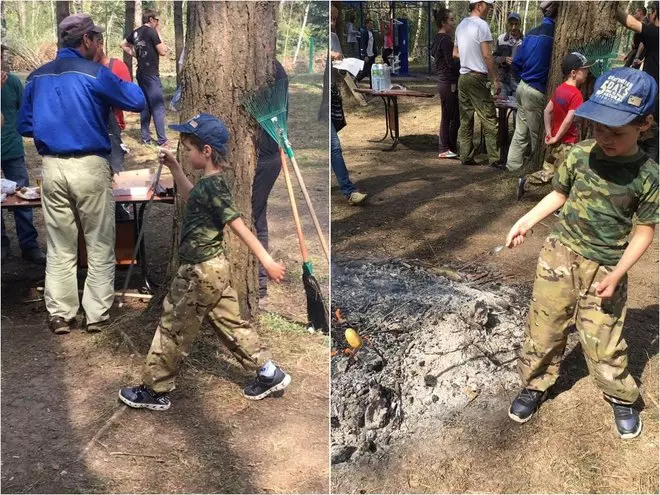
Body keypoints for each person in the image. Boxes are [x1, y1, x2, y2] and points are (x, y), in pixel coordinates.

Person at [506, 68, 658, 440]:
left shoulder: (648, 175)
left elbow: (644, 230)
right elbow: (558, 195)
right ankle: (535, 383)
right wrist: (525, 220)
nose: (604, 138)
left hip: (605, 267)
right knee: (545, 324)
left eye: (616, 131)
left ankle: (619, 394)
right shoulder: (578, 155)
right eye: (598, 128)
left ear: (646, 124)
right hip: (559, 255)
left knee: (603, 336)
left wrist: (619, 272)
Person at [118, 114, 290, 410]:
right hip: (214, 270)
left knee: (174, 326)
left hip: (199, 271)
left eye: (188, 149)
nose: (185, 153)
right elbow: (191, 197)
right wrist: (173, 166)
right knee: (230, 324)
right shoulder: (207, 185)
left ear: (206, 151)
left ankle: (154, 390)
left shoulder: (215, 189)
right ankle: (269, 372)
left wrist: (266, 261)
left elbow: (239, 227)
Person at [17, 14, 146, 334]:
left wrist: (55, 129)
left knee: (60, 244)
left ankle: (60, 314)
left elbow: (24, 125)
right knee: (100, 241)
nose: (100, 44)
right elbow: (137, 100)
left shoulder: (36, 77)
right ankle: (96, 314)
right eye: (97, 39)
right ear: (86, 40)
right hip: (89, 165)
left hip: (52, 167)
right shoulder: (96, 73)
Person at [517, 53, 591, 199]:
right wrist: (556, 136)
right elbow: (568, 120)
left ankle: (525, 183)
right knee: (564, 174)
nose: (587, 73)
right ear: (574, 73)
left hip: (557, 139)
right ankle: (559, 203)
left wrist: (549, 133)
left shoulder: (560, 89)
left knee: (551, 171)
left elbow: (547, 111)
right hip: (567, 142)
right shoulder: (576, 95)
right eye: (585, 69)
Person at [1, 43, 46, 264]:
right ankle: (2, 245)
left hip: (12, 147)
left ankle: (29, 245)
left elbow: (23, 112)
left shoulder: (13, 83)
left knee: (22, 198)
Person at [505, 1, 557, 173]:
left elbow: (516, 63)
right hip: (535, 91)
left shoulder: (532, 33)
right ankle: (537, 170)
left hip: (522, 87)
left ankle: (513, 166)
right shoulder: (556, 35)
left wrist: (523, 78)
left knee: (520, 131)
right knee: (537, 133)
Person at [252, 60, 288, 306]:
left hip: (265, 157)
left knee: (249, 219)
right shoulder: (275, 67)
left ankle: (259, 286)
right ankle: (260, 286)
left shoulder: (268, 69)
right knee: (258, 217)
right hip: (269, 155)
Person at [454, 0, 501, 167]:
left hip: (463, 77)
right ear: (479, 5)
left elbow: (455, 53)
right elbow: (487, 56)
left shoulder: (460, 26)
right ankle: (495, 159)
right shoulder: (482, 26)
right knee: (488, 118)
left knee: (466, 118)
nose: (489, 8)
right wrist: (495, 78)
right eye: (487, 5)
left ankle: (465, 155)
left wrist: (468, 56)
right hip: (477, 77)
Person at [331, 4, 367, 206]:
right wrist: (328, 56)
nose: (332, 23)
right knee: (334, 146)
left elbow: (337, 69)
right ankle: (349, 191)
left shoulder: (335, 38)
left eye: (335, 19)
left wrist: (344, 66)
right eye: (330, 18)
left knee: (330, 144)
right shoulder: (314, 38)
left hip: (332, 95)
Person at [616, 1, 659, 163]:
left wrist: (610, 6)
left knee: (650, 136)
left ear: (654, 13)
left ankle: (649, 178)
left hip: (655, 97)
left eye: (650, 11)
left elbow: (632, 23)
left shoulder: (656, 34)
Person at [121, 9, 168, 146]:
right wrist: (158, 31)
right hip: (151, 73)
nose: (158, 23)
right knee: (158, 107)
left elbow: (123, 44)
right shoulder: (151, 31)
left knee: (146, 106)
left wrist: (137, 55)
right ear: (151, 20)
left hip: (140, 72)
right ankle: (162, 140)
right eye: (157, 20)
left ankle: (145, 138)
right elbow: (163, 51)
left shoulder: (136, 32)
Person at [430, 6, 460, 159]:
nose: (453, 23)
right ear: (443, 22)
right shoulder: (446, 40)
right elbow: (451, 63)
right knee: (453, 116)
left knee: (447, 115)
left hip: (442, 81)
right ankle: (448, 147)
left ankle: (446, 147)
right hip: (448, 82)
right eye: (451, 20)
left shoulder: (437, 38)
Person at [493, 12, 523, 97]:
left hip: (518, 80)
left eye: (516, 24)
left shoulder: (525, 40)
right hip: (503, 79)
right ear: (508, 24)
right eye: (511, 24)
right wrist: (504, 59)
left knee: (516, 107)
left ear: (520, 24)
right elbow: (494, 57)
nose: (513, 27)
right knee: (502, 106)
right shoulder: (501, 39)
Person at [356, 18, 377, 86]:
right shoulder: (364, 32)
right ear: (366, 24)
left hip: (372, 55)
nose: (371, 25)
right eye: (370, 24)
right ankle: (356, 80)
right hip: (367, 55)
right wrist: (365, 55)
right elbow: (363, 44)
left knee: (372, 72)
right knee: (365, 72)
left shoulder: (372, 32)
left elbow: (373, 44)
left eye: (372, 24)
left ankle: (372, 88)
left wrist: (375, 53)